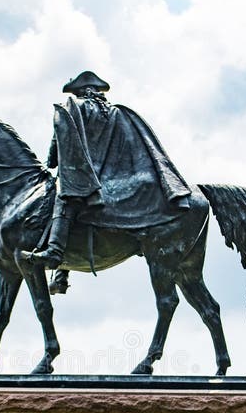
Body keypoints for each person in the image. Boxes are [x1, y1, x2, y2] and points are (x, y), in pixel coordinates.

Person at [21, 70, 192, 275]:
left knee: (63, 198)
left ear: (79, 92)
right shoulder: (117, 112)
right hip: (116, 181)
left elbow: (60, 143)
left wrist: (51, 161)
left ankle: (55, 252)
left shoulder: (73, 108)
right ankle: (62, 274)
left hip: (87, 178)